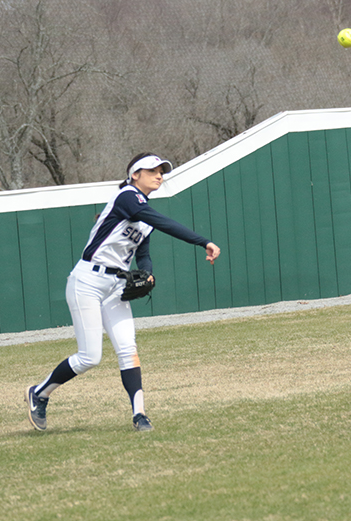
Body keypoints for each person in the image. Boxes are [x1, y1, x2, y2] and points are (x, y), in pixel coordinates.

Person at [26, 153, 221, 432]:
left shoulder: (144, 214)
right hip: (87, 282)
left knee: (128, 350)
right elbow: (163, 222)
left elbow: (142, 254)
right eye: (152, 170)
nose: (159, 175)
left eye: (161, 171)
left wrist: (149, 271)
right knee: (89, 357)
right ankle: (39, 393)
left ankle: (140, 415)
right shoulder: (127, 197)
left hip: (116, 285)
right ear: (134, 175)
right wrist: (203, 242)